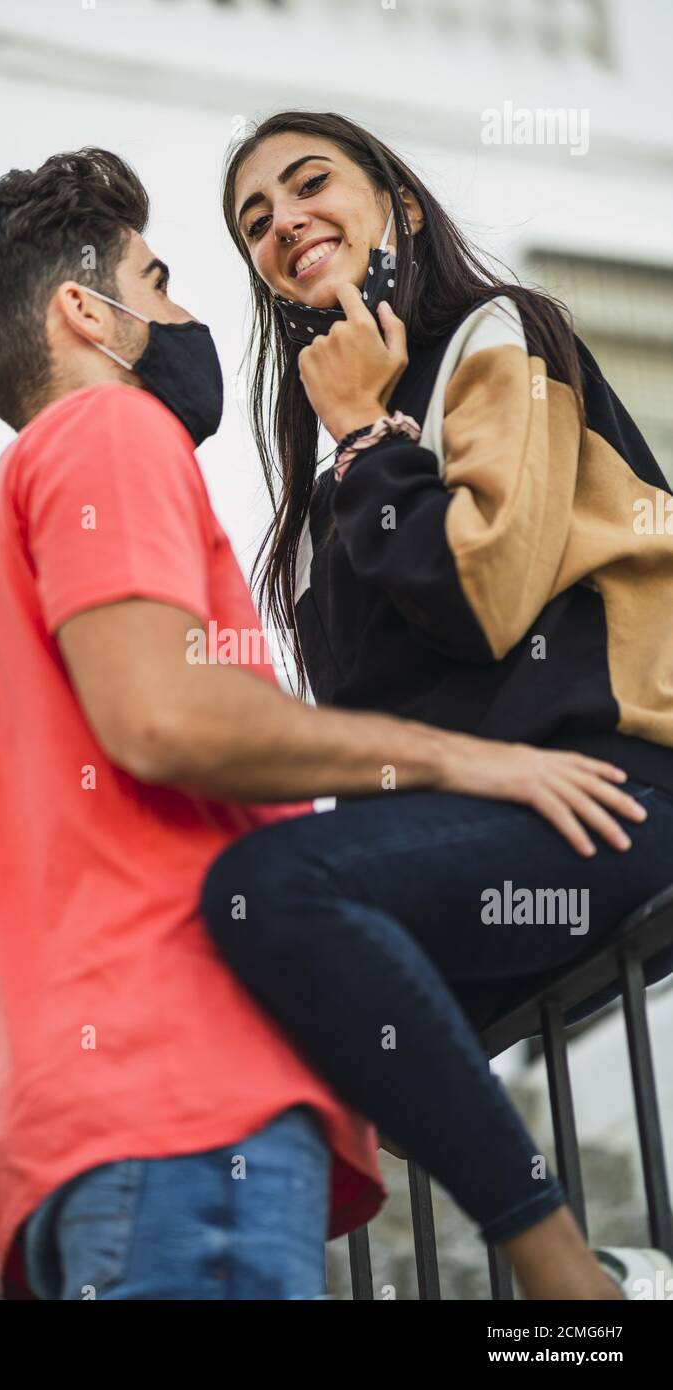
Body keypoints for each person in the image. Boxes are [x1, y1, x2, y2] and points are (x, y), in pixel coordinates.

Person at [0, 147, 647, 1301]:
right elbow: (165, 717)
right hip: (181, 1117)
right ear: (85, 313)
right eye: (159, 283)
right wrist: (466, 761)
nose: (188, 313)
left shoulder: (7, 524)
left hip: (80, 1144)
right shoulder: (107, 438)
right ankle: (574, 1281)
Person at [200, 111, 673, 1299]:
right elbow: (376, 723)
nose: (282, 224)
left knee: (267, 891)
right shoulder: (326, 485)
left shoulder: (494, 333)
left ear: (398, 206)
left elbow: (483, 600)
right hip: (502, 823)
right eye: (254, 221)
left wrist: (365, 435)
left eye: (309, 185)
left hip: (617, 791)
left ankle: (581, 1283)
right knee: (242, 1042)